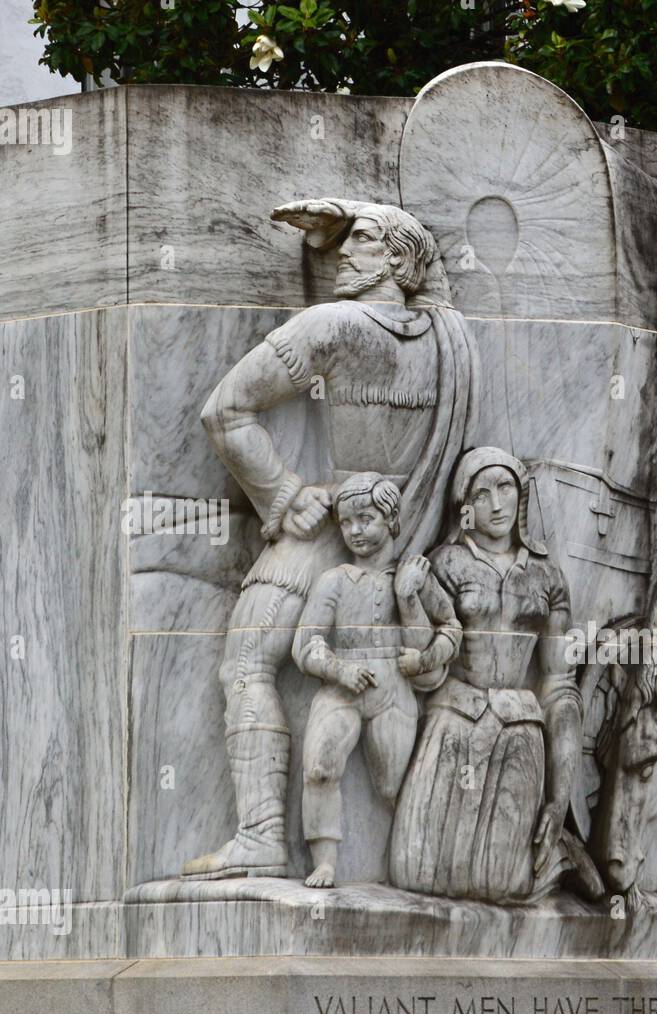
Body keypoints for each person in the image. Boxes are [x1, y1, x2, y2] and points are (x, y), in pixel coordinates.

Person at [181, 198, 477, 879]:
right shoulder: (452, 340)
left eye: (364, 242)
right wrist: (351, 212)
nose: (344, 252)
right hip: (415, 540)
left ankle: (260, 839)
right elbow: (437, 281)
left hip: (334, 531)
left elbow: (224, 410)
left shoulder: (331, 325)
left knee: (247, 665)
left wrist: (283, 494)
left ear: (400, 261)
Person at [389, 448, 602, 903]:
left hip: (520, 735)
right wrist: (409, 602)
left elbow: (559, 685)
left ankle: (563, 856)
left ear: (521, 496)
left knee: (503, 884)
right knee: (415, 871)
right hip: (453, 726)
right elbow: (425, 669)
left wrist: (560, 795)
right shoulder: (444, 564)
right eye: (481, 494)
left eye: (505, 488)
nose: (496, 504)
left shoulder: (547, 576)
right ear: (464, 507)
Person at [292, 473, 460, 889]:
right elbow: (304, 643)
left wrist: (426, 655)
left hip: (393, 690)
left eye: (365, 519)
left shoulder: (413, 576)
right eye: (346, 523)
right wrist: (339, 670)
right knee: (319, 765)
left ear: (391, 520)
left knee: (396, 785)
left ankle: (415, 862)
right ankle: (325, 861)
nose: (354, 531)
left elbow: (451, 628)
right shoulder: (334, 580)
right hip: (342, 686)